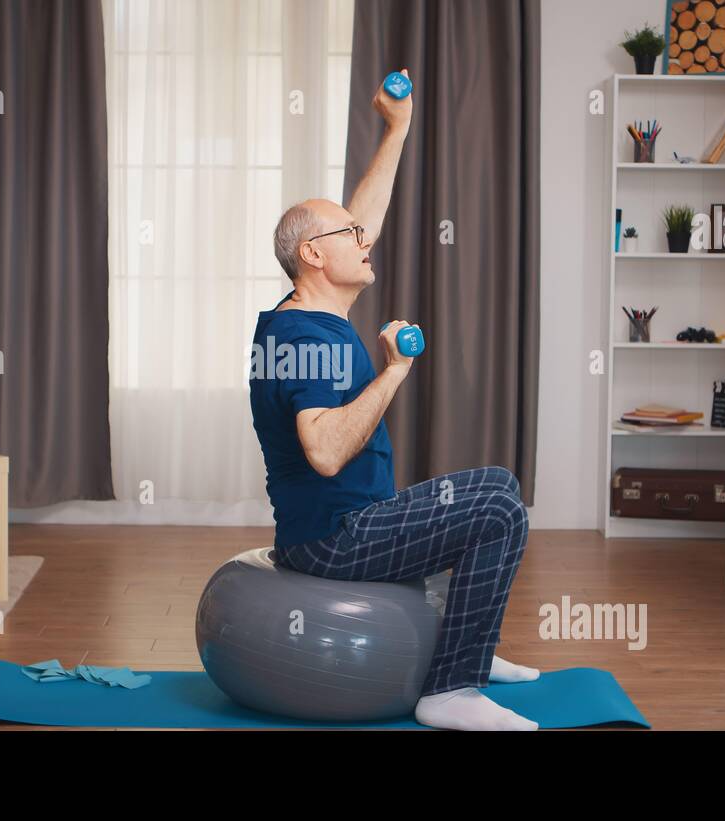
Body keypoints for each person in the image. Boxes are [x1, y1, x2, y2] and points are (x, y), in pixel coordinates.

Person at [248, 69, 538, 731]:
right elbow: (322, 450)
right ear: (315, 255)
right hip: (333, 543)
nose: (365, 238)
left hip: (340, 528)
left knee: (493, 497)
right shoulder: (303, 336)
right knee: (496, 497)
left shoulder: (304, 312)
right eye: (350, 236)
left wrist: (397, 126)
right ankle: (451, 690)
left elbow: (363, 213)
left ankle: (472, 653)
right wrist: (397, 369)